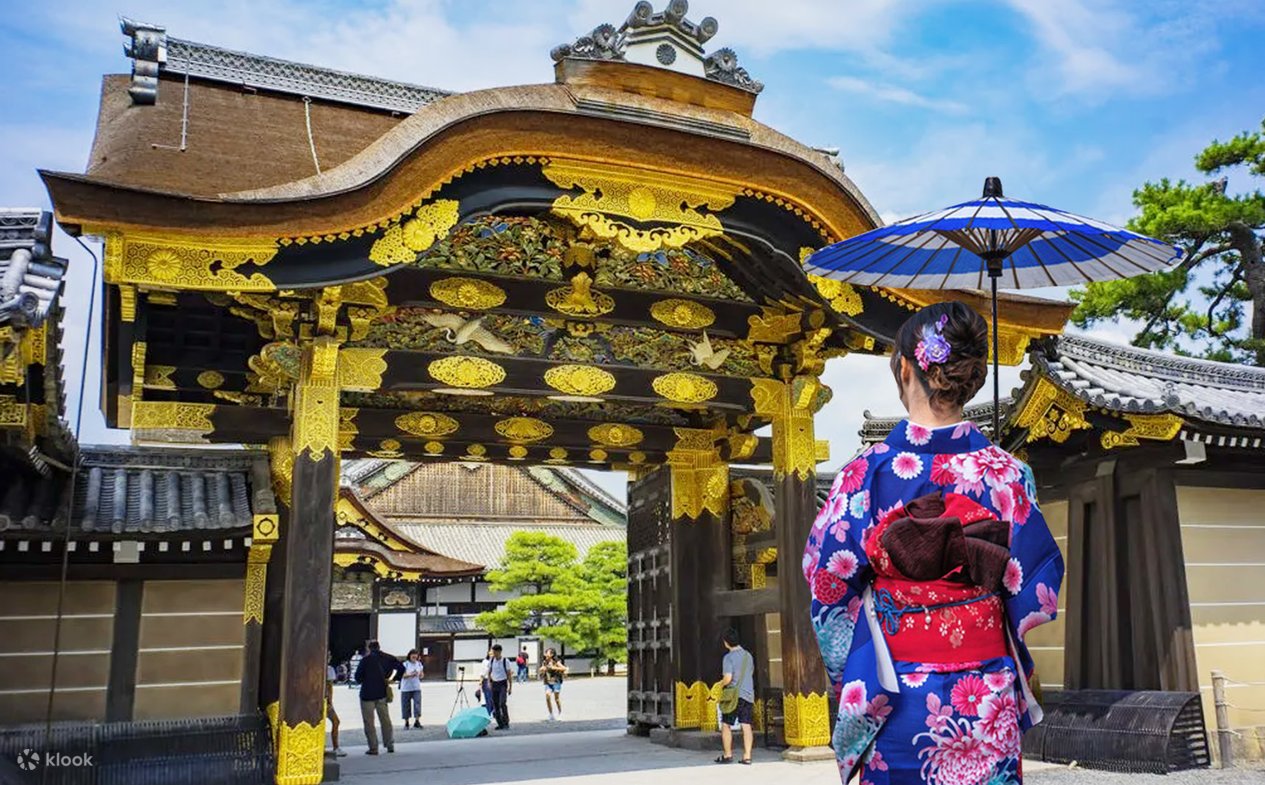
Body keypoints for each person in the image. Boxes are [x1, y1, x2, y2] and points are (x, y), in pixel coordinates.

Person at [804, 301, 1065, 784]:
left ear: (905, 368)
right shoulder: (1009, 474)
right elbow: (1036, 587)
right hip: (985, 696)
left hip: (896, 695)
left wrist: (852, 669)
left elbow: (827, 584)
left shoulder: (864, 474)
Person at [354, 640, 402, 755]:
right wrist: (393, 679)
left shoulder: (365, 660)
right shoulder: (388, 658)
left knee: (369, 722)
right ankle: (389, 744)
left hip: (367, 694)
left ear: (368, 648)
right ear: (379, 647)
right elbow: (401, 668)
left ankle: (373, 747)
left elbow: (358, 678)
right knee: (385, 720)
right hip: (381, 693)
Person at [715, 629, 754, 765]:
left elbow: (728, 678)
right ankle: (747, 756)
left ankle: (727, 755)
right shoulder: (748, 656)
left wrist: (720, 684)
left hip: (733, 696)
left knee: (726, 724)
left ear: (726, 642)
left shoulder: (728, 658)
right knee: (746, 725)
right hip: (748, 694)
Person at [483, 644, 513, 730]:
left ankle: (506, 721)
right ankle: (500, 723)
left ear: (499, 651)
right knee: (495, 704)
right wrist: (489, 682)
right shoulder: (492, 661)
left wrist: (510, 687)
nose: (493, 653)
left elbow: (509, 674)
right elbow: (489, 672)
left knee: (502, 703)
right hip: (494, 683)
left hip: (503, 683)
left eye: (494, 652)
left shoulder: (505, 661)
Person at [326, 657, 347, 758]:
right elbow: (329, 687)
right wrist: (330, 701)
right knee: (336, 721)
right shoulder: (329, 669)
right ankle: (336, 746)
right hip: (326, 701)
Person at [539, 648, 567, 721]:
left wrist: (553, 667)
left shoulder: (556, 661)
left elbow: (564, 668)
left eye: (547, 653)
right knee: (547, 696)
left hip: (556, 681)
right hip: (548, 682)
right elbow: (542, 670)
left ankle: (560, 713)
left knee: (556, 698)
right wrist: (542, 670)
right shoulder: (545, 662)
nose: (545, 654)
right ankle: (551, 714)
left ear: (551, 654)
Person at [400, 649, 424, 729]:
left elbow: (422, 675)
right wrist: (411, 674)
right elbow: (402, 675)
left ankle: (417, 721)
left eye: (416, 655)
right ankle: (406, 722)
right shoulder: (405, 664)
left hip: (416, 687)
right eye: (412, 655)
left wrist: (420, 675)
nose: (414, 656)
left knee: (417, 704)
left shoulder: (419, 664)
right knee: (405, 705)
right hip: (406, 688)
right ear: (409, 656)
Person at [477, 648, 495, 717]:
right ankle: (488, 713)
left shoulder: (496, 661)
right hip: (487, 680)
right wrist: (480, 682)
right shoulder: (485, 662)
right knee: (488, 698)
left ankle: (494, 712)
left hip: (495, 681)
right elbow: (482, 672)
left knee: (494, 697)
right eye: (490, 652)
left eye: (493, 653)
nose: (491, 654)